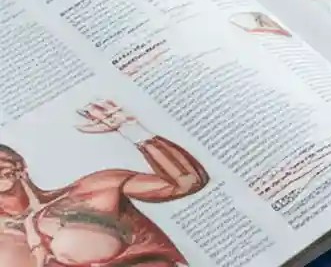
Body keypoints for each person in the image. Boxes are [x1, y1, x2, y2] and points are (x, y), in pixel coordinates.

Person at [0, 100, 209, 267]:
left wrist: (132, 130)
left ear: (20, 164)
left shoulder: (94, 190)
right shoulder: (6, 238)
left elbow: (187, 182)